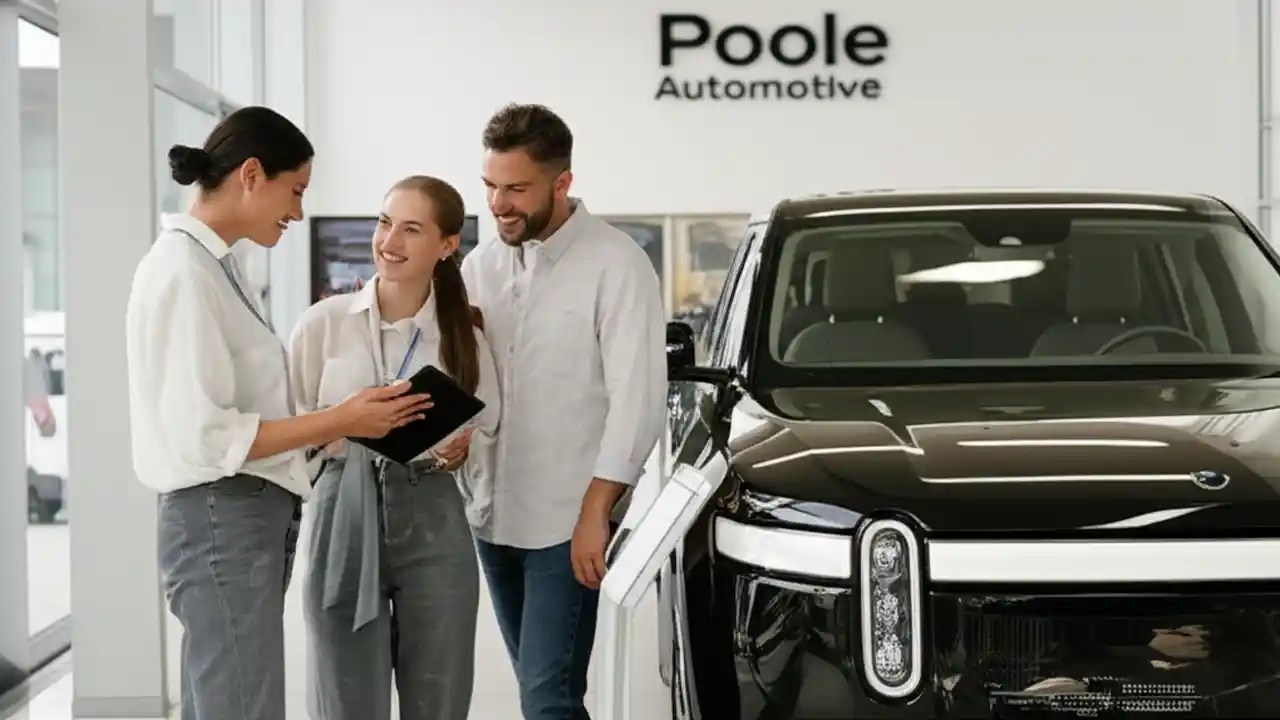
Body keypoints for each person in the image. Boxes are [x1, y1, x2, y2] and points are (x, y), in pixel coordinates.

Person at [124, 106, 433, 720]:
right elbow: (207, 433)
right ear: (250, 174)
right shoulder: (185, 271)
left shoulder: (215, 265)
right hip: (220, 514)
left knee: (228, 700)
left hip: (240, 516)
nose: (296, 212)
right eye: (293, 192)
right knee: (241, 704)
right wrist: (341, 419)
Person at [460, 103, 667, 719]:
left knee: (547, 695)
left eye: (517, 189)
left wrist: (595, 514)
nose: (499, 204)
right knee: (538, 686)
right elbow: (471, 383)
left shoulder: (617, 263)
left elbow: (639, 401)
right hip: (492, 517)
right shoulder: (480, 266)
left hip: (567, 524)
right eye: (492, 186)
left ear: (562, 183)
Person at [288, 175, 500, 720]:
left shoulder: (463, 334)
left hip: (431, 506)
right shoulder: (324, 324)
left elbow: (490, 419)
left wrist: (465, 445)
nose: (390, 241)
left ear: (447, 245)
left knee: (440, 690)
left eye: (411, 228)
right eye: (385, 223)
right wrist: (339, 425)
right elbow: (290, 427)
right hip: (342, 508)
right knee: (344, 695)